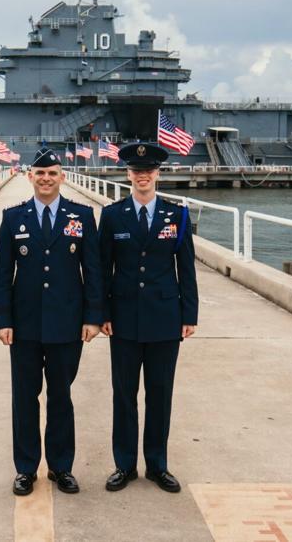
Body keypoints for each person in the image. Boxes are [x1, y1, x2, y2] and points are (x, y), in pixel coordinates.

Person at [0, 147, 103, 496]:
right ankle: (26, 469)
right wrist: (3, 320)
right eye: (40, 173)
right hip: (24, 326)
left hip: (67, 324)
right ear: (30, 177)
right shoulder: (13, 218)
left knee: (61, 397)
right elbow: (1, 275)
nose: (45, 179)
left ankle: (61, 467)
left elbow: (94, 271)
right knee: (25, 398)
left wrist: (93, 317)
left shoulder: (82, 215)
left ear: (62, 177)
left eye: (52, 173)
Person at [98, 142, 198, 494]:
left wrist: (190, 314)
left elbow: (186, 268)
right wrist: (103, 312)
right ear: (127, 174)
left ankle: (157, 465)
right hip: (123, 318)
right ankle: (124, 465)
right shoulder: (112, 215)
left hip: (165, 317)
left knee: (160, 394)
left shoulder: (178, 215)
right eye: (136, 170)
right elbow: (101, 269)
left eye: (149, 170)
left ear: (157, 174)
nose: (143, 175)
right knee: (123, 394)